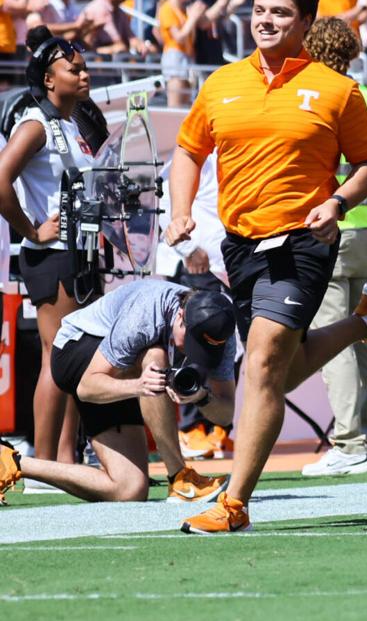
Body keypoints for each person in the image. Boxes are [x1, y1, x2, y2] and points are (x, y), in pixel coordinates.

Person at [166, 0, 367, 534]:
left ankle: (234, 504)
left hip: (304, 242)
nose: (266, 21)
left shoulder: (336, 89)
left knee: (260, 365)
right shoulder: (222, 83)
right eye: (259, 10)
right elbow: (187, 151)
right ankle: (366, 322)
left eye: (280, 12)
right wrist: (180, 211)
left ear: (306, 21)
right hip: (240, 245)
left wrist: (335, 202)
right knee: (274, 369)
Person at [0, 282, 235, 505]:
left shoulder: (220, 331)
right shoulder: (145, 315)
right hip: (76, 349)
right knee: (156, 357)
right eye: (192, 343)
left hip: (120, 367)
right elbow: (87, 387)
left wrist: (202, 397)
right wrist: (138, 386)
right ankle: (180, 477)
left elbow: (225, 415)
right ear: (181, 317)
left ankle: (11, 462)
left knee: (129, 488)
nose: (192, 352)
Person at [300, 17, 367, 477]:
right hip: (366, 230)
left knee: (331, 336)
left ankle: (349, 443)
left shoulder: (318, 95)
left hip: (329, 224)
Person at [0, 28, 102, 493]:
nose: (84, 74)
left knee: (75, 357)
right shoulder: (34, 125)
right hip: (53, 256)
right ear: (48, 78)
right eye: (73, 69)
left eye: (83, 67)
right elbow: (1, 178)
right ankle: (40, 465)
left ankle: (64, 459)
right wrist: (30, 228)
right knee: (55, 356)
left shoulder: (77, 124)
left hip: (79, 253)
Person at [156, 152, 237, 460]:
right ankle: (190, 430)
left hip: (229, 270)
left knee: (228, 347)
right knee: (193, 345)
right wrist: (189, 248)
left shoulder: (239, 148)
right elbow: (163, 202)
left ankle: (218, 429)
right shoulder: (192, 155)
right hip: (196, 267)